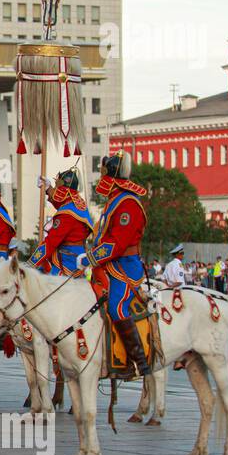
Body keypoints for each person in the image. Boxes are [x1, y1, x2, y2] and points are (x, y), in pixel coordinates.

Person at [84, 153, 152, 376]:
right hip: (110, 262)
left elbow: (118, 243)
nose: (100, 174)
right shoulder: (115, 199)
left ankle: (137, 362)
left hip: (125, 265)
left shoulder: (128, 203)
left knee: (116, 306)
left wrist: (91, 257)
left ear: (111, 173)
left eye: (103, 171)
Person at [31, 169, 93, 277]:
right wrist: (48, 189)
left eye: (56, 186)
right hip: (77, 256)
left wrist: (30, 264)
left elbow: (50, 243)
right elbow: (61, 202)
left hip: (66, 261)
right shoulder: (77, 203)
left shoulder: (67, 214)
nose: (55, 189)